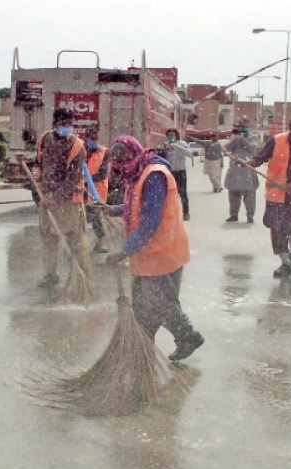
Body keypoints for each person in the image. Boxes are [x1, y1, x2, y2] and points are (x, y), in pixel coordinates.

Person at [105, 135, 204, 361]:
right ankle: (145, 349)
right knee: (145, 305)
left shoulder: (154, 175)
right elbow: (137, 204)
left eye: (121, 159)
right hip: (148, 252)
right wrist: (114, 209)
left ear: (132, 153)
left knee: (161, 304)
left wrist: (123, 252)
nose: (119, 165)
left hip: (164, 252)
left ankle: (185, 337)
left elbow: (150, 220)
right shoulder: (139, 172)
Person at [248, 115, 291, 277]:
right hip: (278, 197)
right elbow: (261, 157)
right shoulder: (276, 141)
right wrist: (252, 162)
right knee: (278, 230)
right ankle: (285, 263)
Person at [35, 108, 91, 287]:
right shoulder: (45, 139)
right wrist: (44, 193)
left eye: (69, 124)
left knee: (74, 240)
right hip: (47, 197)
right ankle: (50, 274)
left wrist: (56, 198)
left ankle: (79, 276)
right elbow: (42, 166)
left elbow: (73, 179)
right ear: (54, 125)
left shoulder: (77, 146)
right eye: (63, 124)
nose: (67, 128)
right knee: (48, 238)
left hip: (70, 201)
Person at [224, 126, 259, 223]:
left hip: (247, 170)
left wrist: (243, 139)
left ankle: (250, 216)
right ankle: (233, 215)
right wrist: (235, 139)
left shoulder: (253, 137)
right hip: (235, 170)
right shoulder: (234, 137)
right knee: (233, 195)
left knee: (249, 196)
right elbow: (227, 147)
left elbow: (252, 148)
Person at [83, 126, 110, 253]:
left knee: (97, 220)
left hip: (97, 192)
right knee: (80, 218)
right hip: (81, 191)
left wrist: (86, 179)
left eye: (96, 139)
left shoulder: (104, 152)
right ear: (86, 139)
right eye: (91, 139)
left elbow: (102, 174)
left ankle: (99, 244)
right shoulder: (80, 151)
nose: (94, 141)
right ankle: (77, 245)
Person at [165, 128, 193, 221]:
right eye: (169, 135)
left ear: (176, 135)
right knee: (171, 193)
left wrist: (178, 147)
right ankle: (172, 213)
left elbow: (190, 153)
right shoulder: (166, 145)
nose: (171, 137)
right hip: (171, 172)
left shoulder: (182, 144)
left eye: (172, 135)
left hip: (181, 171)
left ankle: (186, 213)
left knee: (183, 193)